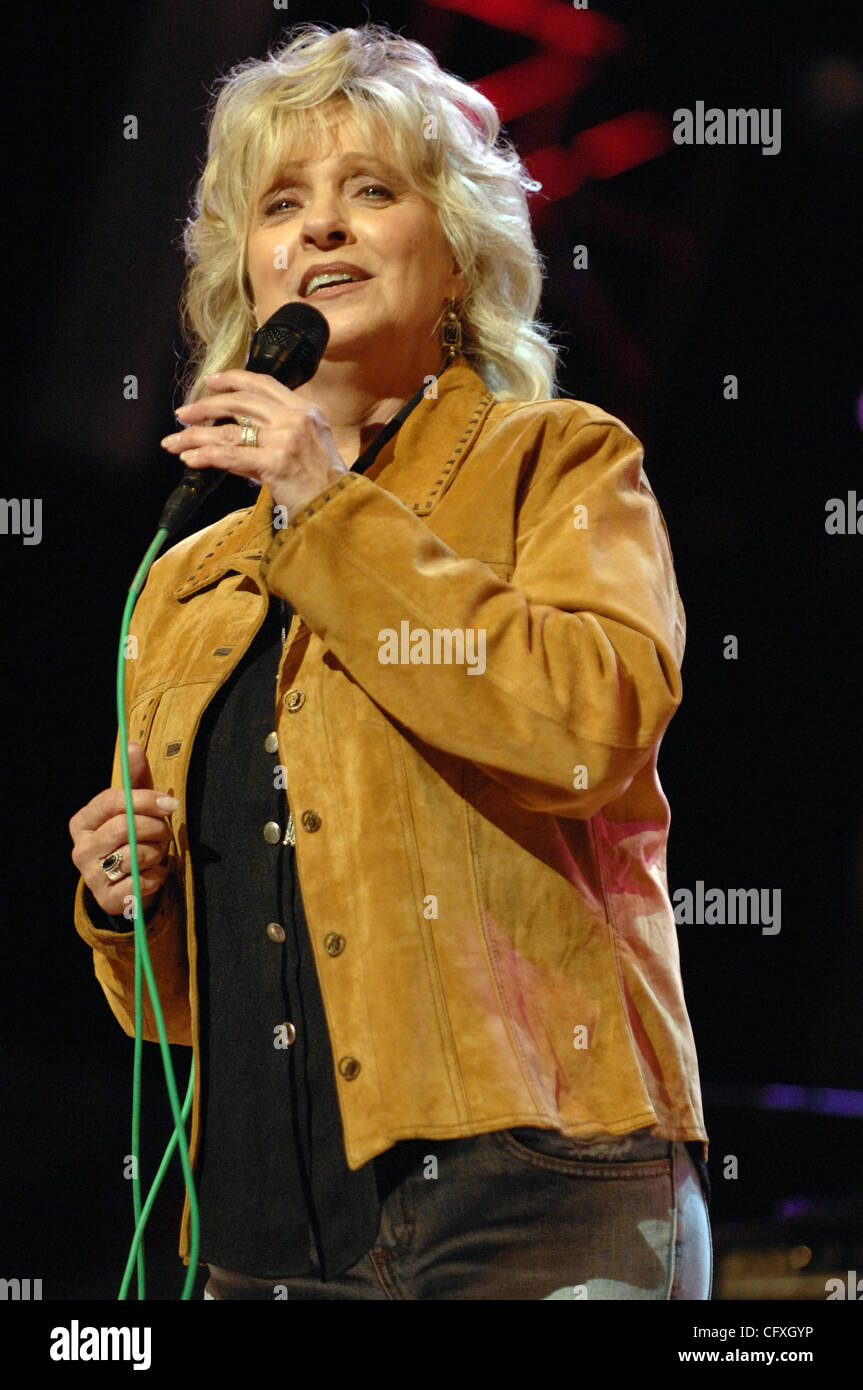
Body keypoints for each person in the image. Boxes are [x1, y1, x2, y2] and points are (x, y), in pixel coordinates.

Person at [69, 22, 711, 1300]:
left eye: (371, 191)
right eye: (282, 204)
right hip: (261, 1224)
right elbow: (175, 1006)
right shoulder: (188, 576)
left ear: (460, 256)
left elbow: (586, 724)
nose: (319, 230)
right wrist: (119, 898)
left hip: (533, 1181)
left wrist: (326, 504)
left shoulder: (558, 463)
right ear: (242, 272)